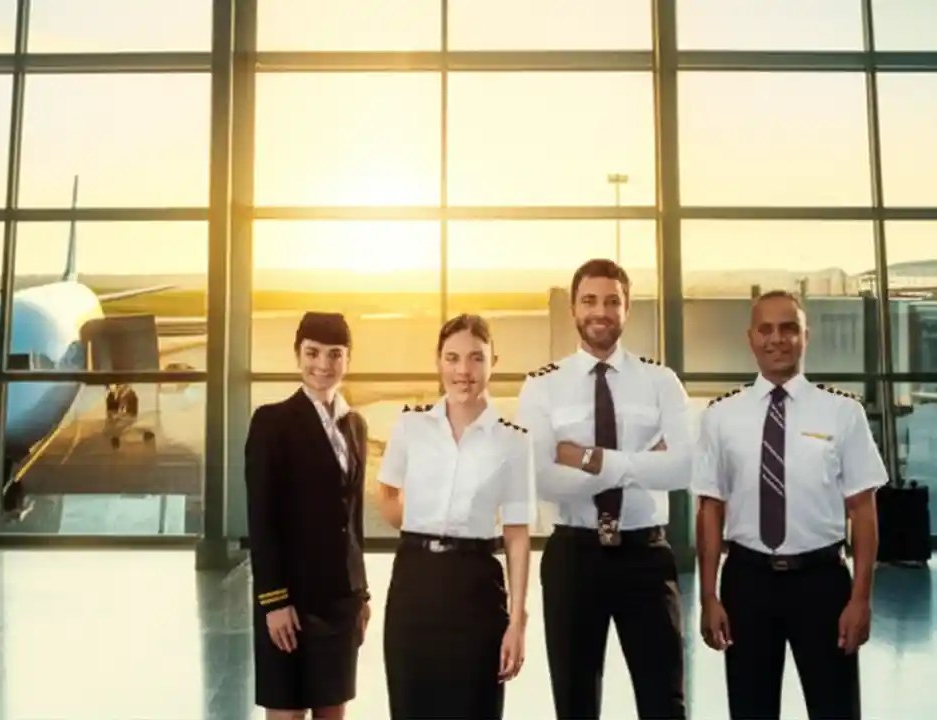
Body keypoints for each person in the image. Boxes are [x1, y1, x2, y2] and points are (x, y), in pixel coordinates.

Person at [692, 290, 886, 720]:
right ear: (750, 338)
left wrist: (861, 599)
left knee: (835, 709)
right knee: (751, 709)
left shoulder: (843, 412)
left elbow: (863, 510)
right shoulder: (721, 416)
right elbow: (710, 508)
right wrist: (708, 596)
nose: (777, 339)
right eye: (766, 329)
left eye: (789, 329)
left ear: (805, 336)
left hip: (822, 584)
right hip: (747, 583)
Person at [516, 258, 693, 719]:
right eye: (589, 300)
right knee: (575, 704)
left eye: (612, 301)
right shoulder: (542, 386)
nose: (601, 311)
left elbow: (682, 469)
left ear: (627, 308)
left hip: (645, 557)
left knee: (664, 704)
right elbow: (543, 479)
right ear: (573, 309)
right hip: (573, 558)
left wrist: (589, 457)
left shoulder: (660, 381)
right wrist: (642, 461)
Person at [376, 313, 534, 720]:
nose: (464, 370)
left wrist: (517, 621)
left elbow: (517, 533)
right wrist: (422, 529)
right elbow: (386, 493)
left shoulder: (513, 440)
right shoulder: (411, 426)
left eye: (476, 358)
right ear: (438, 361)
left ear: (493, 362)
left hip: (476, 585)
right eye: (453, 358)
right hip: (414, 583)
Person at [245, 312, 370, 720]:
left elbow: (353, 518)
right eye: (312, 353)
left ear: (348, 359)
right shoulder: (272, 422)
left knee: (333, 711)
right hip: (291, 600)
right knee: (287, 711)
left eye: (335, 354)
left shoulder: (355, 425)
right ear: (297, 354)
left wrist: (361, 594)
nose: (323, 364)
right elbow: (262, 519)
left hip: (340, 599)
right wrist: (274, 601)